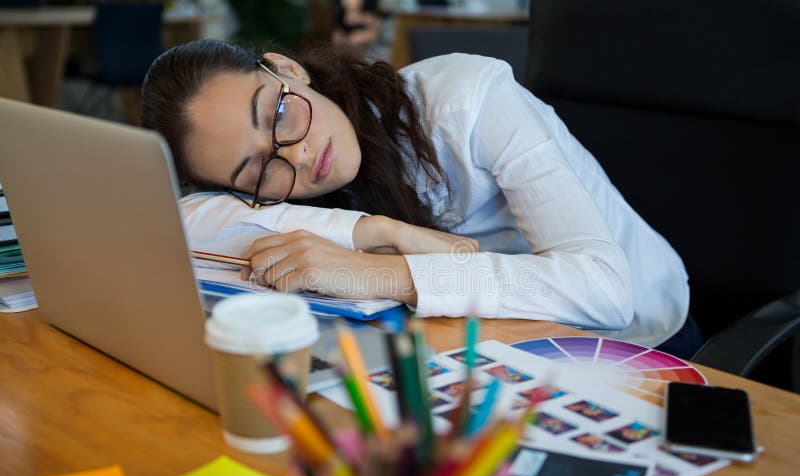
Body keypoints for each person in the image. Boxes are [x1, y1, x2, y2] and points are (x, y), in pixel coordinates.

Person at [141, 39, 693, 351]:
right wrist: (378, 234)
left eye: (278, 113)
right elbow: (183, 221)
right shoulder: (277, 192)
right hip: (497, 349)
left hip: (637, 340)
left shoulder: (468, 100)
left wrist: (382, 272)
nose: (299, 154)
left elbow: (606, 290)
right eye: (259, 168)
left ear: (288, 70)